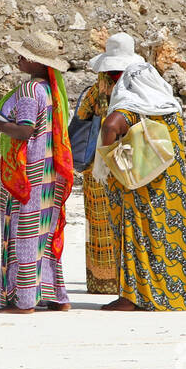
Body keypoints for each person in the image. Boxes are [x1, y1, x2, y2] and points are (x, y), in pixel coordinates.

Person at [99, 56, 186, 312]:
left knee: (135, 236)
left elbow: (111, 125)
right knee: (168, 238)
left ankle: (131, 297)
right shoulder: (170, 109)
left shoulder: (131, 108)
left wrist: (109, 156)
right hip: (168, 190)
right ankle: (172, 293)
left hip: (137, 186)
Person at [0, 31, 74, 313]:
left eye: (26, 56)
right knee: (44, 234)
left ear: (37, 63)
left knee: (23, 235)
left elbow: (24, 130)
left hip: (28, 175)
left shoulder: (28, 91)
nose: (20, 58)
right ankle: (54, 296)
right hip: (49, 175)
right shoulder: (50, 90)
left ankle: (23, 302)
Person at [73, 33, 143, 294]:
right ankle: (129, 279)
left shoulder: (96, 89)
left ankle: (103, 280)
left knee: (99, 222)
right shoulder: (138, 86)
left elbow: (81, 118)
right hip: (130, 162)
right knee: (126, 221)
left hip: (97, 166)